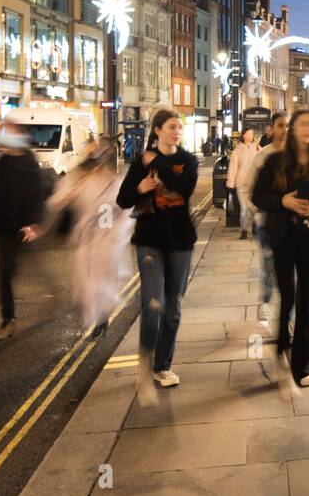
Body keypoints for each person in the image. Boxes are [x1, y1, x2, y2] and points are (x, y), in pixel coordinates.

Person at [252, 107, 309, 388]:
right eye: (304, 124)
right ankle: (282, 346)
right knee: (288, 295)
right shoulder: (276, 160)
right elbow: (258, 195)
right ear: (292, 129)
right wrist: (283, 202)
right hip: (282, 237)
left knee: (306, 298)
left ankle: (304, 364)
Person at [117, 108, 199, 405]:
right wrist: (140, 186)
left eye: (179, 127)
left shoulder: (187, 161)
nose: (177, 131)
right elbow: (124, 199)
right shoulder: (141, 162)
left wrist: (159, 163)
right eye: (171, 127)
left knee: (173, 309)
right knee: (153, 304)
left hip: (179, 241)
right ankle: (144, 363)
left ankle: (162, 366)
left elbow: (183, 188)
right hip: (150, 240)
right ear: (157, 131)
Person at [46, 137, 133, 336]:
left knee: (104, 283)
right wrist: (69, 195)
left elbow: (125, 211)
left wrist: (115, 233)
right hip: (87, 241)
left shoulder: (116, 182)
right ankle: (93, 314)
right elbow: (55, 201)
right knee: (86, 282)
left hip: (107, 242)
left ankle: (101, 317)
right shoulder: (79, 179)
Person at [0, 120, 44, 341]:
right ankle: (8, 319)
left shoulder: (29, 161)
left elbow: (36, 196)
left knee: (11, 270)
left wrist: (33, 224)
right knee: (4, 273)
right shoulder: (1, 162)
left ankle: (48, 296)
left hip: (22, 227)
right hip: (3, 227)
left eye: (8, 132)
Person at [242, 110, 288, 327]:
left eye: (289, 125)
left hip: (292, 223)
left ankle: (289, 315)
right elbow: (246, 186)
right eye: (281, 125)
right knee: (269, 264)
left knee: (290, 270)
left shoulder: (303, 155)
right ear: (272, 129)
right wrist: (255, 210)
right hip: (267, 223)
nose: (285, 130)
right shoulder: (264, 156)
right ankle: (266, 302)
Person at [227, 127, 261, 240]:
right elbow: (233, 167)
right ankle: (244, 230)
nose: (251, 136)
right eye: (249, 134)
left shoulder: (257, 148)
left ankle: (256, 226)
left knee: (254, 207)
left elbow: (263, 162)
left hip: (254, 183)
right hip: (241, 183)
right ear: (244, 135)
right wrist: (230, 183)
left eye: (252, 134)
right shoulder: (237, 150)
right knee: (244, 208)